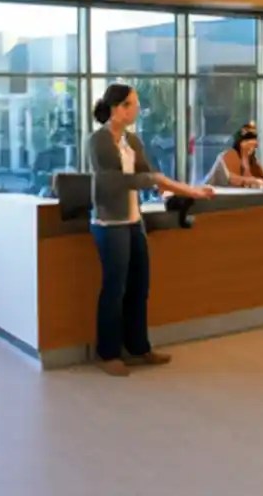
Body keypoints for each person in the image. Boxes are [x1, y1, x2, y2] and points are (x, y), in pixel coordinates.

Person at [87, 83, 215, 377]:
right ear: (118, 109)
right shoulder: (98, 141)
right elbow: (119, 181)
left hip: (133, 221)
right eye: (132, 104)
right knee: (114, 288)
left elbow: (149, 173)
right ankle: (107, 353)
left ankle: (138, 347)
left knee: (139, 286)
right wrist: (169, 185)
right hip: (110, 224)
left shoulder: (132, 141)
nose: (137, 109)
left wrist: (180, 191)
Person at [203, 122, 263, 188]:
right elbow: (232, 179)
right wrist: (254, 181)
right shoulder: (229, 155)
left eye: (254, 145)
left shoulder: (252, 161)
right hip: (214, 194)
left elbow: (262, 178)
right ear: (240, 143)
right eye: (249, 142)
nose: (254, 147)